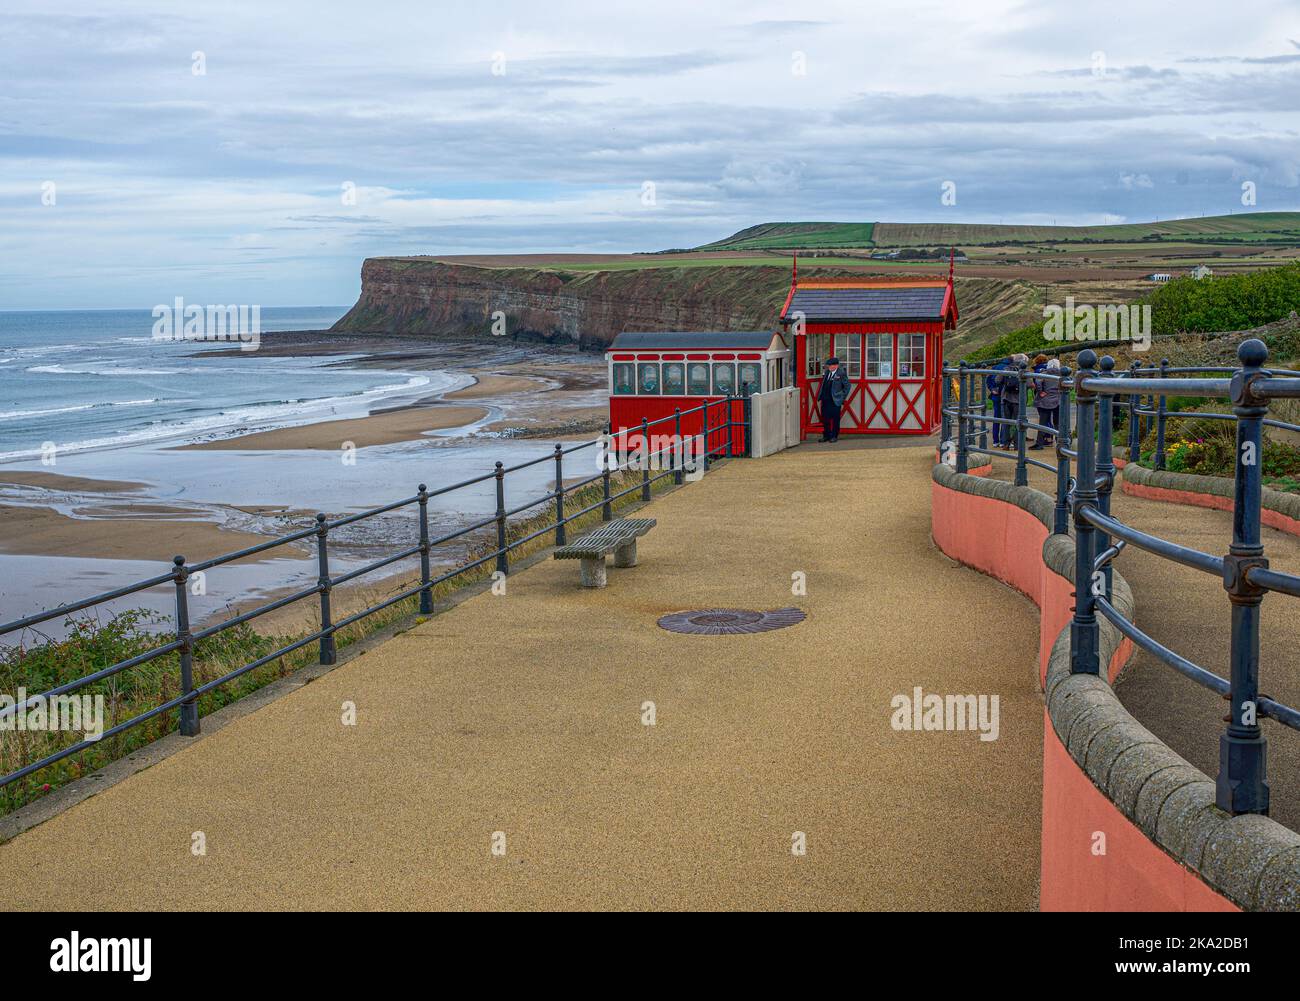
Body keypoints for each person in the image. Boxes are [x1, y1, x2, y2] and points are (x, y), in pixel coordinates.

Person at [994, 353, 1030, 450]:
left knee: (1006, 422)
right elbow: (1030, 384)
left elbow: (997, 380)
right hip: (1019, 400)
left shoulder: (1007, 369)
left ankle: (1006, 444)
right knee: (1018, 423)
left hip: (1006, 398)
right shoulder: (1025, 370)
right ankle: (1017, 444)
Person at [1031, 358, 1062, 449]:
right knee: (1058, 423)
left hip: (1045, 400)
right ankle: (1060, 442)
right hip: (1058, 400)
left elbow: (1038, 381)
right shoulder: (1061, 374)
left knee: (1043, 423)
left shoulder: (1044, 374)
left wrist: (1040, 391)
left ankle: (1040, 443)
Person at [819, 356, 851, 442]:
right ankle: (826, 435)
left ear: (836, 366)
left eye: (830, 365)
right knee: (825, 418)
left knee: (835, 419)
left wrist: (842, 397)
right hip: (825, 399)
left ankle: (834, 436)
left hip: (835, 400)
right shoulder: (827, 373)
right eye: (828, 365)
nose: (829, 367)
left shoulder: (841, 373)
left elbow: (847, 386)